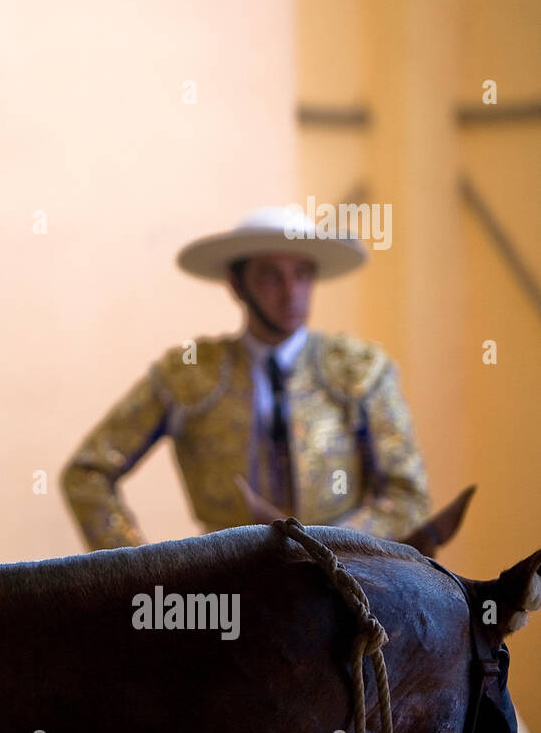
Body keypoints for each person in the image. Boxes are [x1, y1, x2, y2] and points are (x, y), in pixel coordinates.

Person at [61, 206, 429, 551]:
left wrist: (335, 547)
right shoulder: (188, 375)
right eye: (270, 277)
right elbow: (87, 473)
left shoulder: (360, 370)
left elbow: (407, 495)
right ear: (237, 285)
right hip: (229, 587)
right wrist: (138, 568)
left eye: (301, 275)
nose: (291, 294)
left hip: (343, 585)